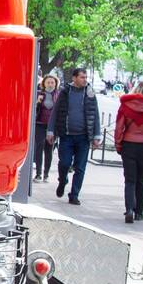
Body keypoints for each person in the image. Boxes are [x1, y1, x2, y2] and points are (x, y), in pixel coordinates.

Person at [46, 67, 101, 205]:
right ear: (74, 78)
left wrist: (96, 135)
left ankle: (74, 194)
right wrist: (51, 130)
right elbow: (55, 111)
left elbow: (95, 115)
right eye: (82, 77)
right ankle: (62, 180)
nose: (85, 80)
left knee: (80, 167)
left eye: (86, 77)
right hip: (67, 136)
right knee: (64, 163)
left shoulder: (89, 93)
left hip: (83, 137)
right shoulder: (65, 92)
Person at [116, 80, 143, 223]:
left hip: (129, 145)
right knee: (141, 180)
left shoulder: (126, 105)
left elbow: (119, 127)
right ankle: (139, 212)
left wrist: (118, 145)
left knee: (130, 180)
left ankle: (129, 210)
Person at [33, 72, 59, 182]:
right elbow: (34, 109)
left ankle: (46, 174)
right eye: (48, 82)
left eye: (52, 82)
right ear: (44, 83)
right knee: (39, 148)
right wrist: (37, 102)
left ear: (55, 84)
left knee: (49, 150)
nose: (50, 84)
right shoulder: (39, 93)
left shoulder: (59, 95)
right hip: (40, 124)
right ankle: (38, 174)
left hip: (52, 126)